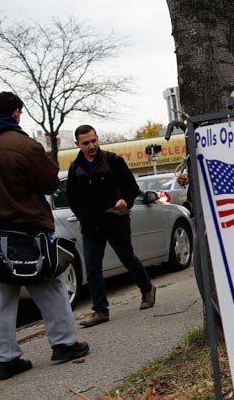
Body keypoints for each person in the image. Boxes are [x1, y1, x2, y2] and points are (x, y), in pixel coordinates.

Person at [0, 91, 89, 381]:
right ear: (15, 112)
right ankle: (65, 344)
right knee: (50, 286)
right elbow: (50, 181)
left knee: (1, 297)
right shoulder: (23, 145)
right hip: (28, 229)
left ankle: (6, 359)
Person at [66, 125, 156, 328]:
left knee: (127, 257)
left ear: (97, 138)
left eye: (93, 141)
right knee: (92, 267)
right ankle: (100, 310)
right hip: (91, 227)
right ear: (77, 144)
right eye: (86, 143)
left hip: (116, 221)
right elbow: (72, 198)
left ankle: (147, 288)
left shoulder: (113, 160)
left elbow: (132, 188)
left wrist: (125, 200)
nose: (91, 146)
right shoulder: (75, 168)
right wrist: (82, 216)